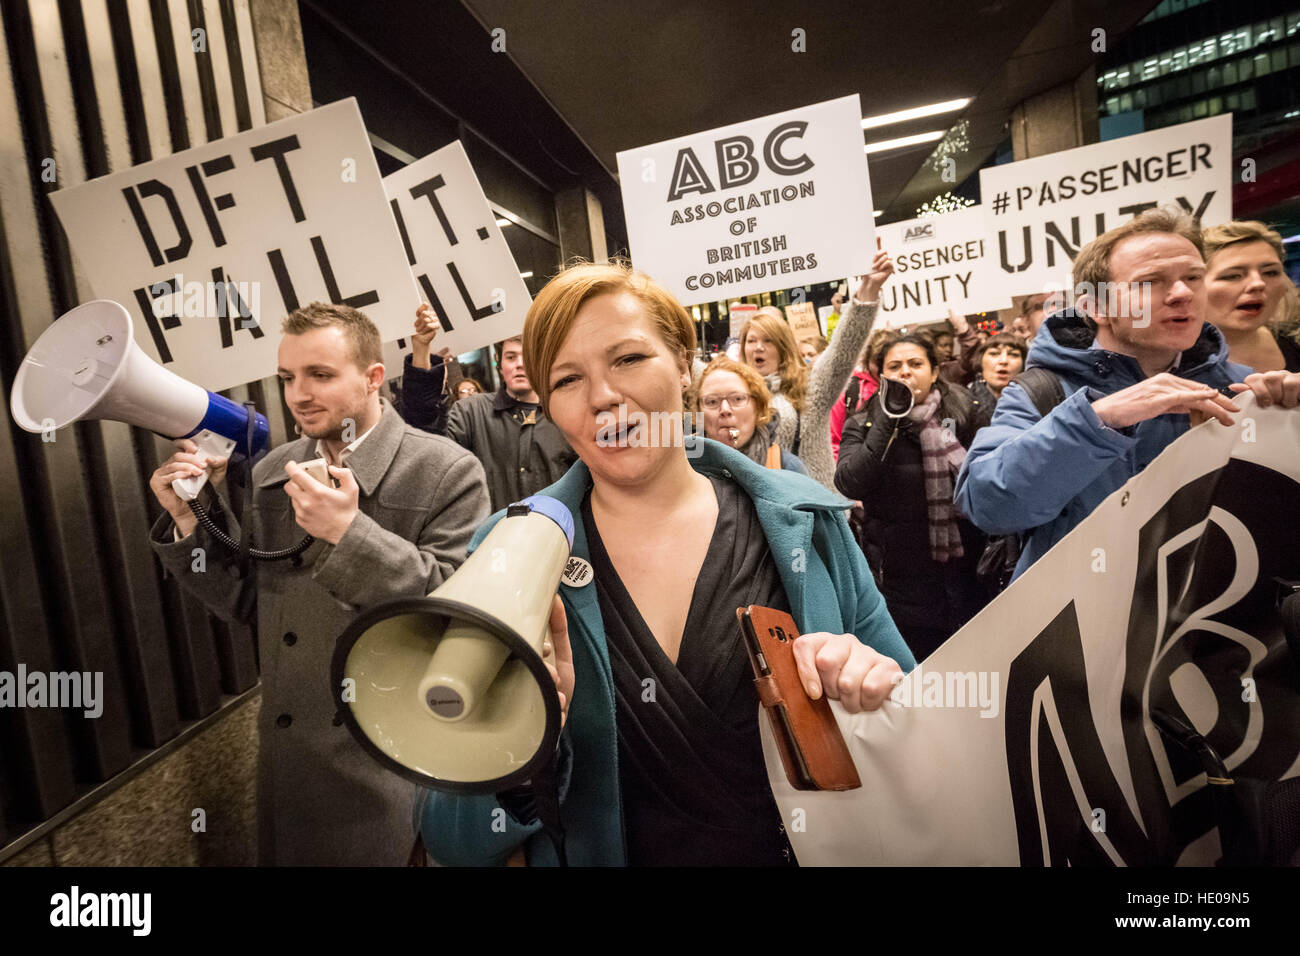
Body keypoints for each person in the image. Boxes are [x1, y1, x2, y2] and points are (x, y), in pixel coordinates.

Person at [418, 260, 915, 867]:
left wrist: (872, 689)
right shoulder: (511, 554)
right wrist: (515, 751)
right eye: (568, 379)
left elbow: (914, 719)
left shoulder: (806, 524)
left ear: (683, 363)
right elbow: (452, 836)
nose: (603, 396)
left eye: (628, 359)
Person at [147, 302, 490, 865]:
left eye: (320, 375)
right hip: (293, 758)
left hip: (391, 760)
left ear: (374, 377)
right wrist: (190, 519)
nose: (298, 395)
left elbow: (457, 606)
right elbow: (253, 602)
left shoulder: (446, 470)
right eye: (288, 378)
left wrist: (349, 533)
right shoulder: (272, 472)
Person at [955, 207, 1300, 582]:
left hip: (1215, 619)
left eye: (1193, 277)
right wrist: (1098, 419)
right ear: (1095, 305)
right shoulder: (1043, 391)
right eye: (1151, 281)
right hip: (1086, 623)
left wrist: (1288, 426)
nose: (1182, 293)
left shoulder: (1242, 387)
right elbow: (990, 505)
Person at [835, 335, 988, 661]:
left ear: (934, 372)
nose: (905, 372)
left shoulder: (963, 411)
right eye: (894, 367)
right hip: (901, 582)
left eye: (915, 364)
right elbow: (850, 483)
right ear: (880, 377)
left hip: (968, 574)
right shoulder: (864, 422)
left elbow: (990, 479)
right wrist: (887, 419)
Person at [739, 250, 896, 489]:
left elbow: (844, 348)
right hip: (755, 517)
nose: (758, 347)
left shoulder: (809, 387)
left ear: (783, 347)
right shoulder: (729, 393)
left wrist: (868, 290)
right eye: (751, 341)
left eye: (768, 340)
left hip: (813, 514)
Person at [401, 302, 577, 511]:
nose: (519, 364)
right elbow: (427, 439)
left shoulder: (563, 414)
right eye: (511, 357)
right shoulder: (471, 412)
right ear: (499, 363)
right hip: (489, 538)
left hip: (558, 537)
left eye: (527, 357)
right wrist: (422, 350)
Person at [1203, 220, 1300, 373]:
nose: (1258, 284)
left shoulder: (1295, 342)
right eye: (1233, 276)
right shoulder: (1167, 362)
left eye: (1270, 272)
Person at [692, 356, 807, 473]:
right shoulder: (683, 462)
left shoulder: (787, 468)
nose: (725, 410)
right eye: (712, 401)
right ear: (698, 411)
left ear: (757, 406)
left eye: (737, 399)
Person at [830, 327, 897, 461]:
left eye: (892, 364)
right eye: (877, 362)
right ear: (867, 360)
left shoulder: (911, 390)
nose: (882, 370)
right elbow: (834, 441)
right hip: (858, 469)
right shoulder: (849, 391)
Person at [968, 333, 1028, 410]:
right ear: (980, 362)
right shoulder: (963, 403)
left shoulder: (1036, 403)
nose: (1004, 361)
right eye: (994, 353)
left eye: (1013, 354)